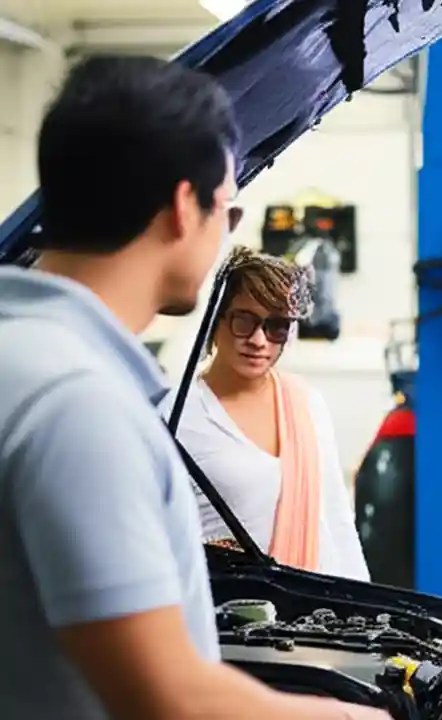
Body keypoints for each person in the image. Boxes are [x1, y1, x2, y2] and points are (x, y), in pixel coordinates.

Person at [0, 54, 387, 719]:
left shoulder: (23, 356)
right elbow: (168, 696)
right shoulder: (79, 404)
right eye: (227, 212)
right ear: (186, 207)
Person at [161, 245, 369, 581]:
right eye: (244, 321)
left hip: (320, 612)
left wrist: (362, 606)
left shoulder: (305, 402)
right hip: (236, 617)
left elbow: (337, 518)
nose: (259, 340)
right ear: (216, 322)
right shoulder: (178, 415)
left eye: (276, 327)